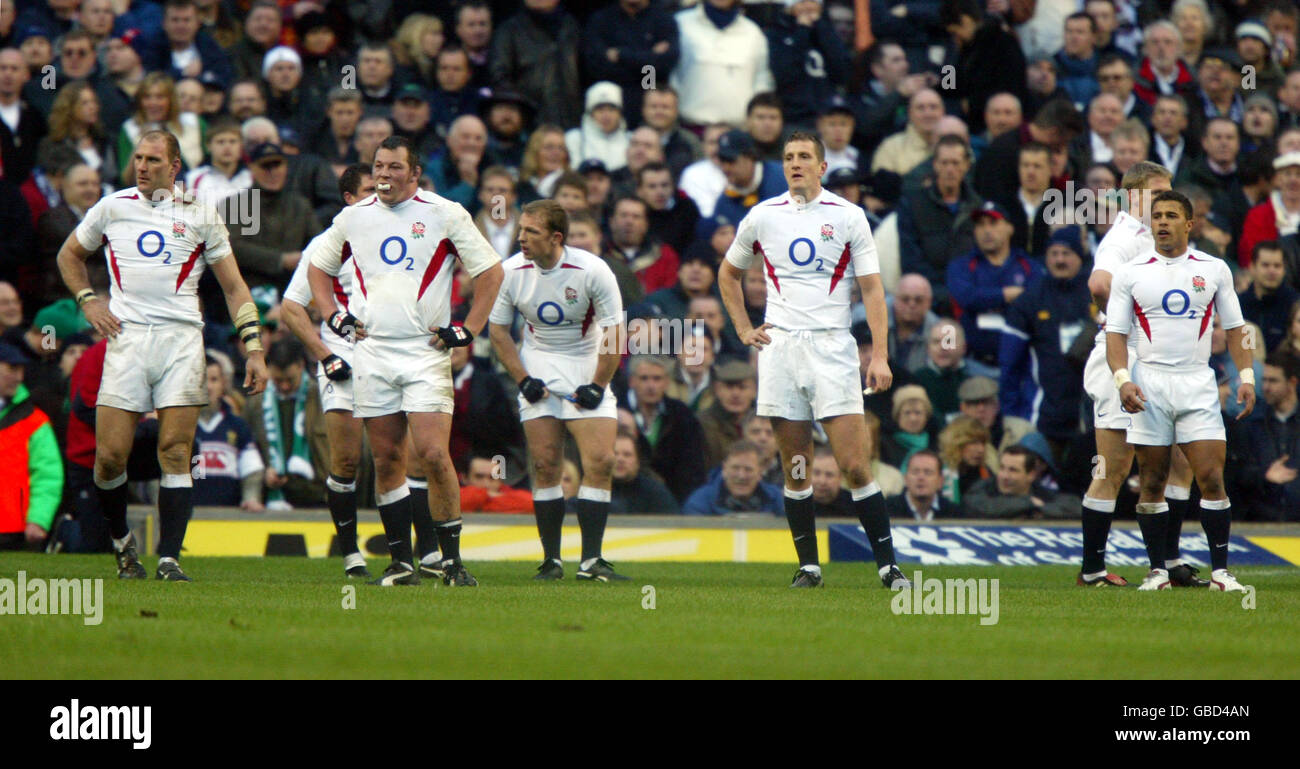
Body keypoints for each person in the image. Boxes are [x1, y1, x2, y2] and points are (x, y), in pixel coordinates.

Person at [55, 129, 269, 581]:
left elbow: (234, 287)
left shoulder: (200, 213)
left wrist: (253, 348)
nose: (142, 166)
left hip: (181, 340)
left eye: (153, 159)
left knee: (175, 450)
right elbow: (69, 256)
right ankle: (122, 544)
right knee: (110, 457)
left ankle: (169, 558)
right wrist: (89, 301)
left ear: (174, 167)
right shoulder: (112, 207)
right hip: (127, 340)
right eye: (138, 158)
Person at [307, 135, 504, 587]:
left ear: (414, 174)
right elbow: (319, 268)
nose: (383, 175)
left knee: (434, 454)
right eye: (379, 166)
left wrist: (469, 329)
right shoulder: (353, 217)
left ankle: (452, 562)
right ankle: (401, 564)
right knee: (387, 457)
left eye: (395, 167)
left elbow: (491, 271)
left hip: (425, 351)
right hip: (371, 351)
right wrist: (332, 314)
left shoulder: (445, 212)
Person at [717, 130, 910, 589]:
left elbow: (872, 290)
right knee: (795, 464)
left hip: (831, 346)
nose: (795, 163)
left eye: (805, 156)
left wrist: (879, 356)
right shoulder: (762, 216)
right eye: (788, 157)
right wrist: (745, 328)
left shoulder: (848, 216)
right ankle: (808, 566)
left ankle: (888, 565)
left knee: (854, 463)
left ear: (823, 167)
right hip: (780, 348)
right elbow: (728, 274)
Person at [1106, 189, 1256, 592]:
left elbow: (1238, 329)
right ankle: (1157, 572)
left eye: (1171, 215)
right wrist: (1123, 379)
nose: (1162, 222)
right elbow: (1116, 335)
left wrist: (1246, 378)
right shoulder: (1131, 272)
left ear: (1189, 224)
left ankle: (1222, 572)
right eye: (1157, 216)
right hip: (1150, 382)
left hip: (1197, 382)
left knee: (1210, 475)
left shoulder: (1215, 269)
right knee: (1152, 479)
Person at [488, 199, 628, 581]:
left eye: (531, 232)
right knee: (545, 463)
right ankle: (551, 561)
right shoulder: (509, 271)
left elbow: (615, 332)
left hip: (586, 360)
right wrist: (523, 379)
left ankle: (591, 561)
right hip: (538, 362)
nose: (521, 239)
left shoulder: (593, 270)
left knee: (600, 460)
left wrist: (599, 386)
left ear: (556, 237)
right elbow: (498, 331)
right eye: (520, 230)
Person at [1081, 161, 1199, 588]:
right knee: (1112, 468)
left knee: (1179, 462)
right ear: (1132, 197)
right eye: (1157, 194)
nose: (1165, 202)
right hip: (1122, 355)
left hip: (1162, 358)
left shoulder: (1160, 240)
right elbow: (1098, 284)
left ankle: (1168, 561)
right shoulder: (1123, 237)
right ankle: (1092, 569)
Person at [946, 201, 1045, 369]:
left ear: (1009, 228)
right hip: (974, 362)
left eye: (993, 223)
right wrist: (1008, 295)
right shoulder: (961, 266)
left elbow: (1035, 301)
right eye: (980, 225)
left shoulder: (1029, 266)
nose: (986, 231)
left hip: (1022, 362)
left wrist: (987, 298)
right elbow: (967, 297)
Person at [0, 341, 62, 550]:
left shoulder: (35, 421)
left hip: (13, 532)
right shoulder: (33, 420)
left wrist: (38, 519)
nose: (18, 377)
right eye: (12, 368)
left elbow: (47, 475)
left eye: (20, 370)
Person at [192, 356, 264, 510]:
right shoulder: (181, 426)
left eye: (214, 380)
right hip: (189, 516)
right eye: (202, 380)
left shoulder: (238, 426)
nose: (208, 387)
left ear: (223, 384)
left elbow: (252, 469)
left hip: (229, 516)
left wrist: (250, 498)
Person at [1236, 351, 1300, 521]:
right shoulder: (1252, 423)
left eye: (1273, 381)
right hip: (1260, 521)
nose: (1266, 387)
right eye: (1264, 380)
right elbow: (1238, 473)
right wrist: (1264, 475)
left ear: (1292, 382)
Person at [962, 445, 1082, 518]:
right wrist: (1028, 504)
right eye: (1002, 468)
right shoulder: (984, 487)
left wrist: (1042, 508)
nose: (1005, 476)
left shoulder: (1041, 493)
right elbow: (976, 505)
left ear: (1031, 475)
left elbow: (1075, 507)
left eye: (1013, 470)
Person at [682, 440, 784, 516]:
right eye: (735, 468)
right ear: (724, 469)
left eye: (748, 469)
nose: (741, 476)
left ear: (760, 473)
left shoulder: (776, 499)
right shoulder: (700, 501)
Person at [1238, 241, 1300, 355]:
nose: (1272, 271)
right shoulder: (1238, 304)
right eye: (1265, 265)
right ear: (1252, 267)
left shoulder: (1295, 304)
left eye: (1277, 266)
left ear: (1284, 269)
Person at [698, 359, 757, 469]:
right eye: (729, 387)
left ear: (754, 391)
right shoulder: (702, 425)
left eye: (742, 387)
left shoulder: (765, 424)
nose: (735, 394)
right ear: (717, 389)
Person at [610, 427, 678, 514]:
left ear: (638, 461)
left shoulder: (656, 494)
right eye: (615, 454)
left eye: (627, 455)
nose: (620, 459)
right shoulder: (595, 490)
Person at [885, 450, 960, 520]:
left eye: (928, 472)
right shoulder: (887, 511)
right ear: (906, 479)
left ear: (940, 481)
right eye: (915, 472)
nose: (921, 477)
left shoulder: (954, 514)